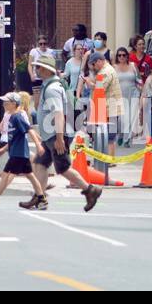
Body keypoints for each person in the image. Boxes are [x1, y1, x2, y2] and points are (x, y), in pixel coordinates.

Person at [30, 56, 101, 211]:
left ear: (46, 70)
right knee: (40, 164)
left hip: (57, 135)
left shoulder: (52, 89)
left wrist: (60, 138)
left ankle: (90, 190)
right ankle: (40, 197)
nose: (36, 70)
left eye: (38, 67)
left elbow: (58, 113)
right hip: (52, 135)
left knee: (62, 168)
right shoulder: (50, 85)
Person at [0, 92, 45, 209]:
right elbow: (13, 138)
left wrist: (38, 145)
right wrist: (4, 149)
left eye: (7, 102)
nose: (4, 104)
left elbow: (29, 130)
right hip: (18, 151)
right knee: (30, 175)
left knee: (5, 174)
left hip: (18, 153)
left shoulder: (17, 117)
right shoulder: (11, 117)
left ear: (14, 104)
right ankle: (41, 199)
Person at [112, 46, 137, 148]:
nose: (121, 57)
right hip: (119, 95)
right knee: (121, 119)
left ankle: (127, 139)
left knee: (130, 118)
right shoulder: (113, 67)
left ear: (127, 56)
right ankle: (121, 134)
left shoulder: (133, 65)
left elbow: (139, 80)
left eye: (124, 55)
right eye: (119, 55)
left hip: (133, 94)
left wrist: (141, 93)